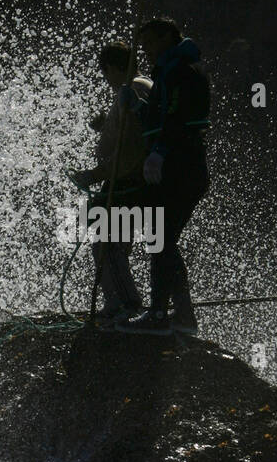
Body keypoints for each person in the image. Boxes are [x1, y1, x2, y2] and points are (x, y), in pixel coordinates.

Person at [118, 17, 210, 336]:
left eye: (149, 42)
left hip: (182, 166)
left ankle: (160, 313)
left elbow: (178, 118)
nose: (145, 49)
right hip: (178, 165)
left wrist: (160, 150)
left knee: (161, 238)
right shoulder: (168, 70)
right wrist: (138, 108)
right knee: (163, 240)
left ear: (167, 37)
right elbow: (159, 117)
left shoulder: (182, 70)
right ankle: (182, 315)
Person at [71, 44, 153, 324]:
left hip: (127, 182)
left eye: (105, 73)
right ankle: (120, 301)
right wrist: (105, 124)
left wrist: (95, 174)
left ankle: (124, 304)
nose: (106, 80)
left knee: (107, 244)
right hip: (129, 181)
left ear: (113, 68)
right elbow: (130, 130)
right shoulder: (141, 87)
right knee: (112, 243)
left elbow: (130, 147)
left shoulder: (132, 89)